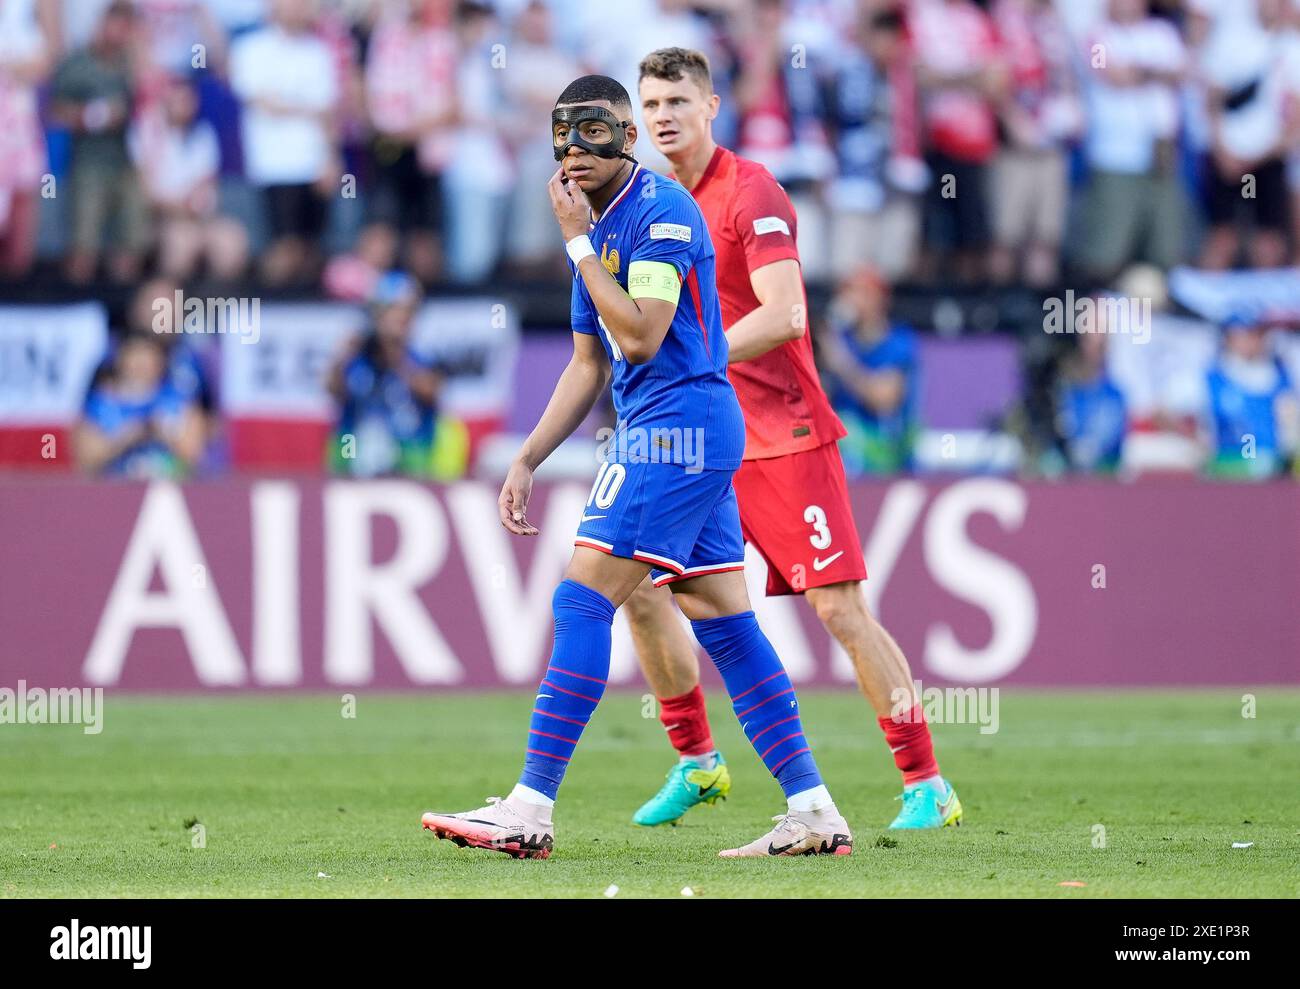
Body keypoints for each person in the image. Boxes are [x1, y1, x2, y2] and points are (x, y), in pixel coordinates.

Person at [422, 74, 854, 860]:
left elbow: (641, 338)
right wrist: (525, 455)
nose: (573, 150)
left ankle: (529, 805)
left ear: (627, 137)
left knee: (582, 600)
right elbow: (589, 363)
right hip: (684, 426)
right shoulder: (595, 223)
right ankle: (815, 808)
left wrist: (581, 246)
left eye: (591, 132)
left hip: (674, 430)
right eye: (562, 134)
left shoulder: (659, 215)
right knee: (724, 620)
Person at [626, 48, 960, 830]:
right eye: (652, 103)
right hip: (702, 440)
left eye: (678, 99)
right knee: (639, 584)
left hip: (784, 436)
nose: (664, 115)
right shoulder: (651, 204)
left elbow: (786, 314)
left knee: (840, 609)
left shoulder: (753, 192)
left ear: (713, 107)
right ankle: (699, 762)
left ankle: (927, 782)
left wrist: (693, 356)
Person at [326, 271, 444, 478]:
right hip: (357, 459)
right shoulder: (358, 359)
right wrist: (343, 357)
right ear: (377, 314)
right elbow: (333, 389)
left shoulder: (422, 359)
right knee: (370, 440)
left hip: (408, 459)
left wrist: (395, 355)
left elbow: (430, 391)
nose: (402, 317)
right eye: (394, 310)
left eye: (408, 311)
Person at [822, 266, 920, 477]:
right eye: (848, 292)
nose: (852, 300)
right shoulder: (840, 340)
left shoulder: (899, 342)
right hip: (846, 454)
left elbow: (884, 399)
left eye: (862, 292)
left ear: (880, 299)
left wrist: (841, 363)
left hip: (888, 455)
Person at [74, 330, 206, 479]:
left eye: (147, 355)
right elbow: (86, 460)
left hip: (170, 489)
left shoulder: (180, 399)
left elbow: (195, 455)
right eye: (134, 355)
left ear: (161, 360)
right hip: (113, 490)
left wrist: (161, 432)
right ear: (120, 360)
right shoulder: (101, 404)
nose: (140, 364)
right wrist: (126, 437)